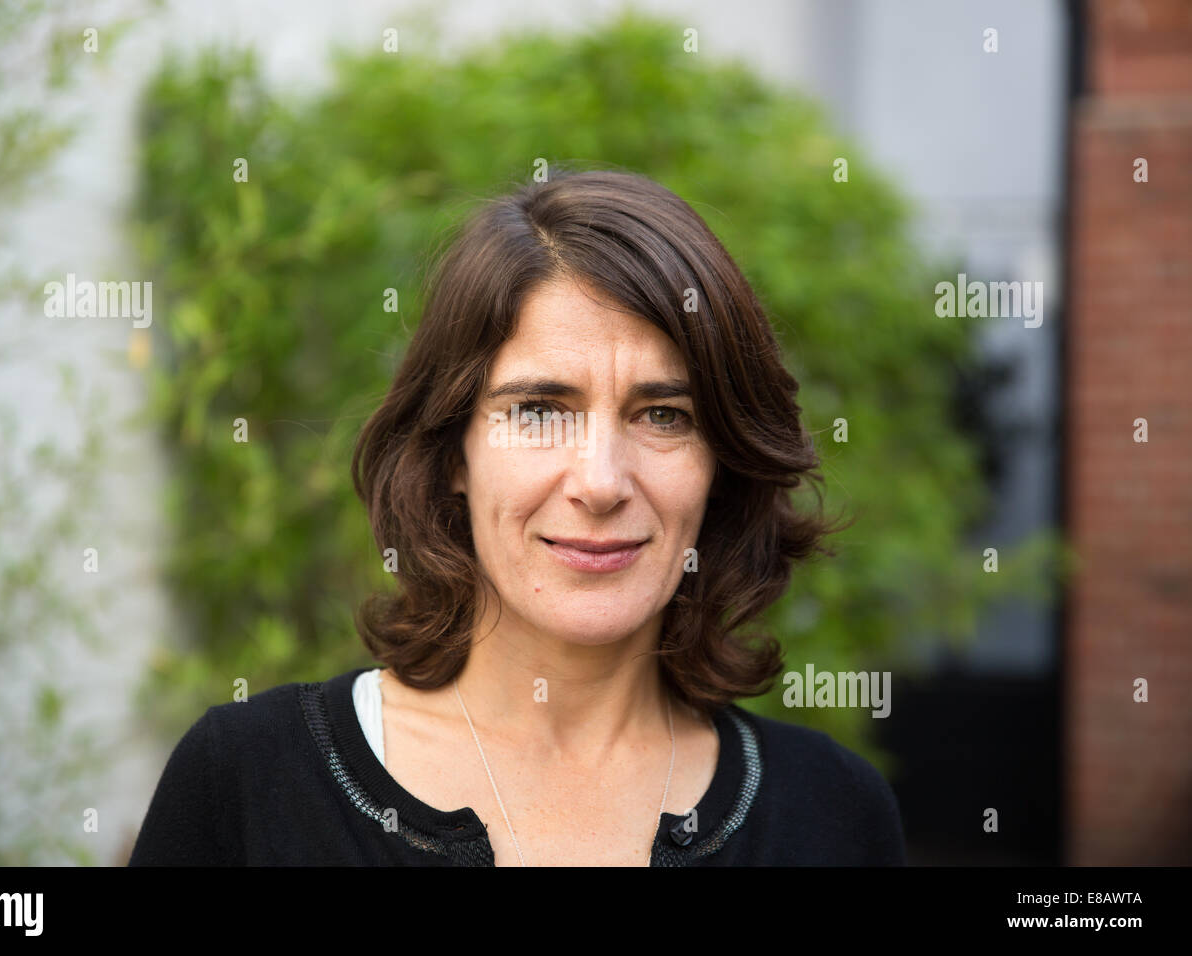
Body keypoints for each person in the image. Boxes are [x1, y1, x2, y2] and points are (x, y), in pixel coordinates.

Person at [129, 167, 906, 866]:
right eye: (538, 410)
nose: (600, 483)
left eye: (664, 415)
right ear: (453, 452)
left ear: (721, 465)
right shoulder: (245, 784)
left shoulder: (833, 813)